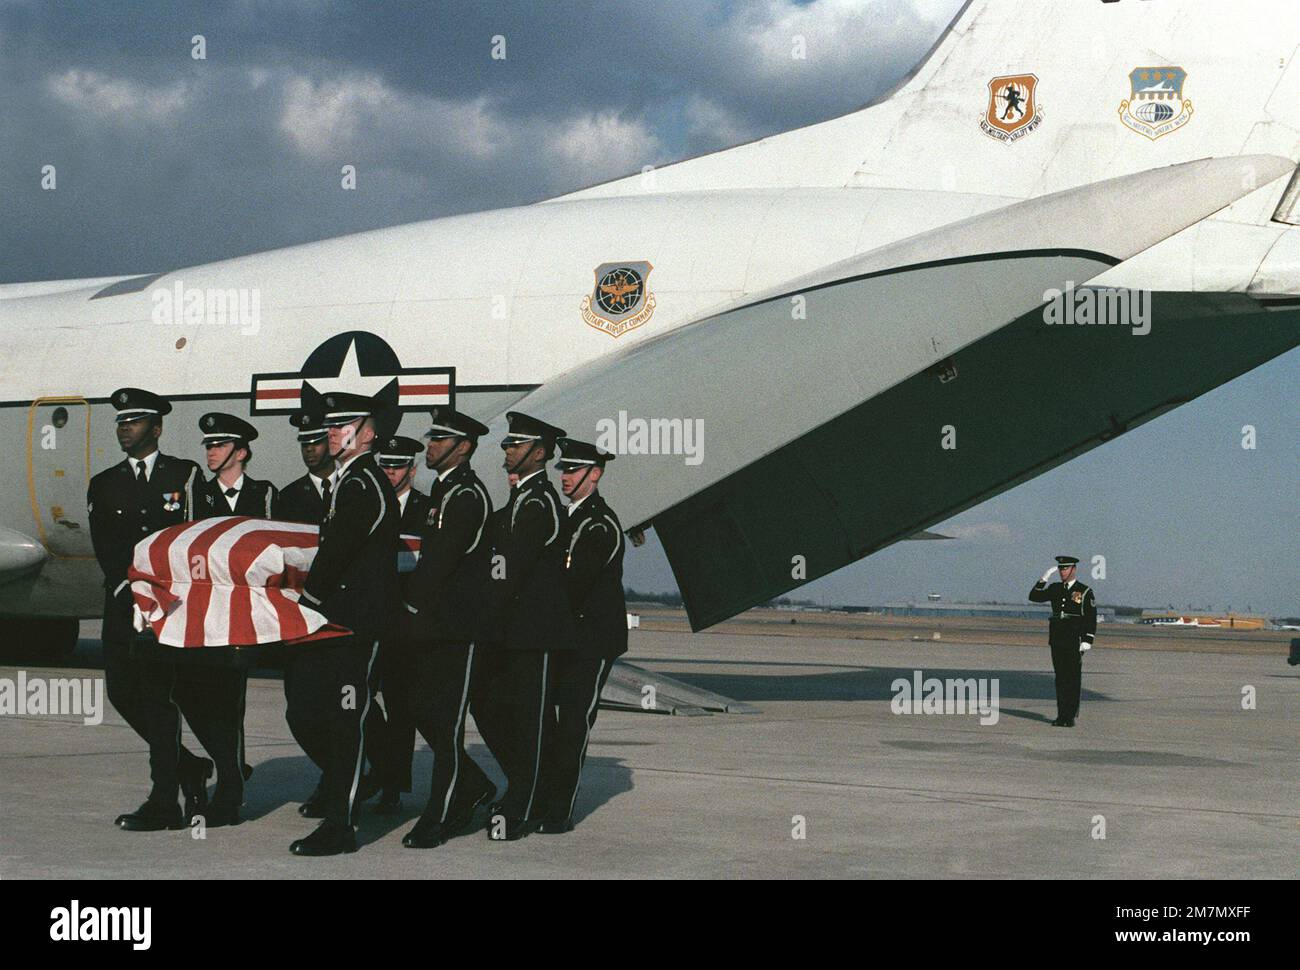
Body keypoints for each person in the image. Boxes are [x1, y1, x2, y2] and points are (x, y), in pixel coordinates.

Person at [87, 388, 207, 831]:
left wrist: (166, 593)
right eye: (120, 421)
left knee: (159, 699)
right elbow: (106, 546)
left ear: (156, 428)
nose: (125, 428)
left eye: (134, 422)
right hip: (122, 602)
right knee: (122, 691)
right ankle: (189, 767)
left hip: (168, 607)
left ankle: (164, 800)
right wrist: (130, 587)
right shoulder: (104, 483)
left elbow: (193, 537)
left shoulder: (186, 475)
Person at [287, 391, 399, 856]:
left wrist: (306, 601)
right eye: (329, 426)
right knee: (319, 713)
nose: (331, 433)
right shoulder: (348, 482)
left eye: (341, 425)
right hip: (339, 623)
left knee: (345, 719)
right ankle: (352, 793)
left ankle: (342, 824)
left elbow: (337, 555)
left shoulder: (361, 484)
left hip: (356, 626)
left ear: (367, 432)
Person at [474, 411, 575, 842]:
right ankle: (533, 792)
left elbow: (509, 569)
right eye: (507, 444)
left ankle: (525, 805)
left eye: (515, 446)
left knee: (531, 721)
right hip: (515, 633)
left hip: (536, 633)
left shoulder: (539, 503)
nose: (507, 451)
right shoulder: (520, 501)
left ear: (539, 453)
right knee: (494, 707)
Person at [399, 407, 497, 848]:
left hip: (457, 628)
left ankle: (441, 814)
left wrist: (406, 604)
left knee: (447, 719)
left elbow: (439, 563)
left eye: (440, 440)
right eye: (431, 438)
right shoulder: (443, 492)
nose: (430, 445)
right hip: (433, 626)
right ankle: (473, 784)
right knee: (422, 709)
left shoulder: (466, 495)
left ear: (464, 446)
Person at [538, 438, 627, 833]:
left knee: (573, 721)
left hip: (591, 641)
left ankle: (559, 810)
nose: (566, 477)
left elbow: (571, 583)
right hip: (562, 637)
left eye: (574, 470)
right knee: (546, 721)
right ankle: (541, 797)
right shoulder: (565, 517)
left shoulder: (599, 524)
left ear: (596, 474)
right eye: (563, 470)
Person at [365, 435, 430, 813]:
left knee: (401, 707)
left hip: (405, 625)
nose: (390, 472)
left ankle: (393, 786)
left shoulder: (426, 509)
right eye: (385, 465)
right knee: (359, 698)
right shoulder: (370, 504)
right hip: (371, 619)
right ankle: (374, 769)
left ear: (411, 469)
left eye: (397, 466)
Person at [1029, 555, 1097, 727]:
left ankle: (1070, 716)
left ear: (1073, 569)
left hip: (1074, 639)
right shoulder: (1055, 588)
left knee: (1072, 679)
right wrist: (1043, 579)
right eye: (1060, 568)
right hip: (1057, 638)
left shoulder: (1084, 591)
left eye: (1065, 568)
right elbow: (1034, 597)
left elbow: (1090, 617)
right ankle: (1061, 715)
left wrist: (1088, 639)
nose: (1062, 571)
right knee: (1060, 678)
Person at [277, 409, 335, 525]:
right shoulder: (289, 497)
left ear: (331, 443)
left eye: (317, 442)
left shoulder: (351, 486)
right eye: (305, 444)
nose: (309, 449)